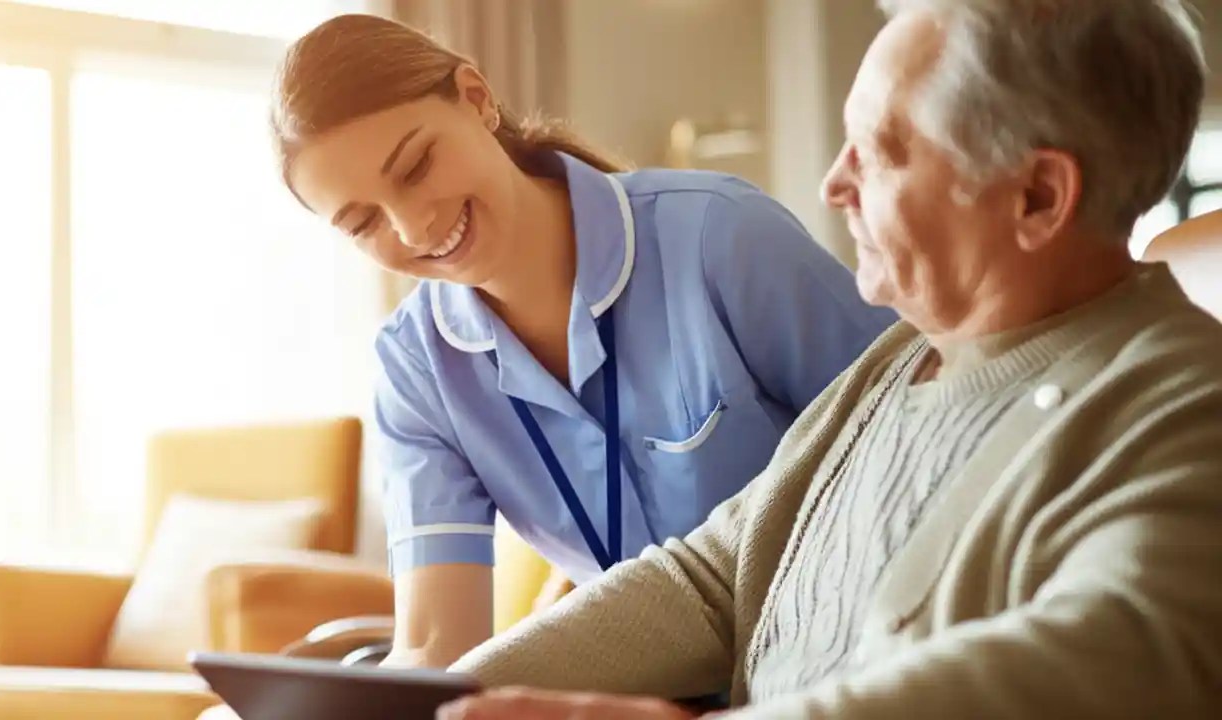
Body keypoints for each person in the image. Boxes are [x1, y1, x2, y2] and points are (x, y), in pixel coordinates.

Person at [440, 1, 1222, 718]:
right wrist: (437, 699)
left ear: (1039, 198)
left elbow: (1101, 656)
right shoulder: (897, 360)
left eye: (879, 153)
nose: (834, 183)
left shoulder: (1183, 405)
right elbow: (713, 580)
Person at [272, 14, 897, 668]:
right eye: (364, 220)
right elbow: (435, 645)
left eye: (416, 166)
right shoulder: (414, 371)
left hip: (842, 658)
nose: (413, 225)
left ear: (477, 99)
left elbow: (923, 444)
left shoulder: (718, 236)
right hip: (637, 696)